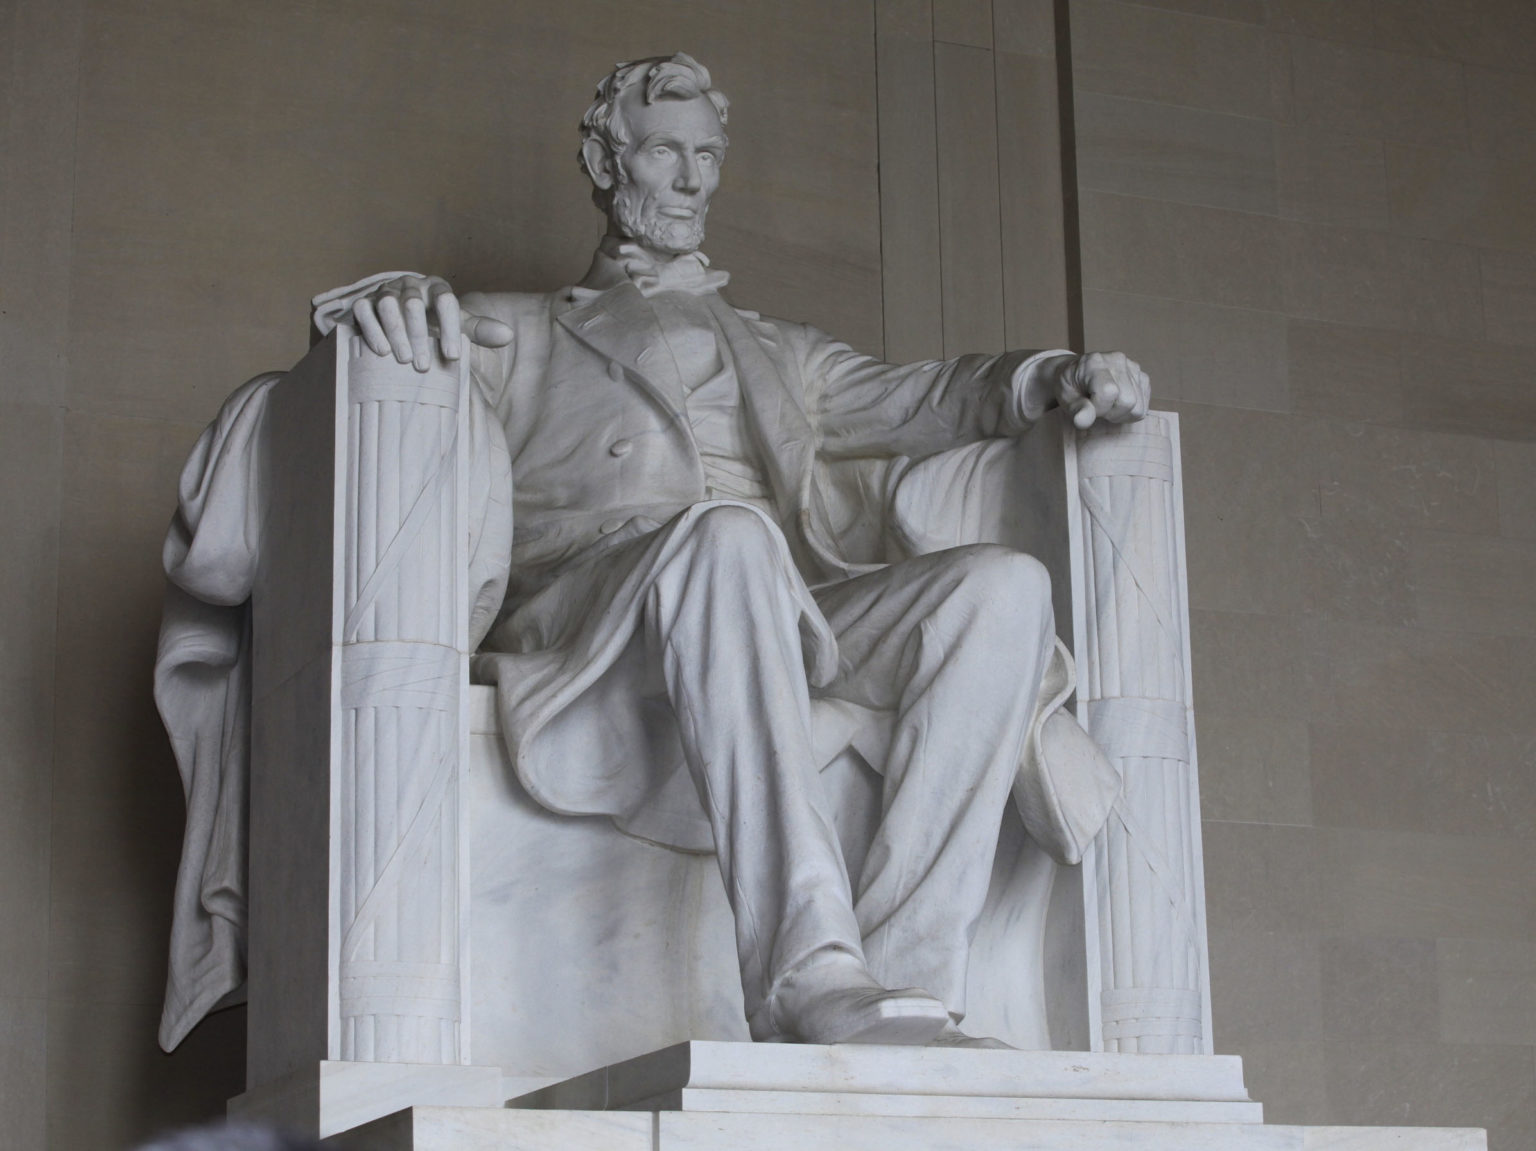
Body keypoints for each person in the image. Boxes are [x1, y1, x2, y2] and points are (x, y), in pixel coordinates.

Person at [309, 53, 1148, 1050]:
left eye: (707, 155)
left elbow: (929, 396)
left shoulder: (780, 349)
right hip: (596, 612)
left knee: (1003, 588)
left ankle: (909, 983)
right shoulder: (522, 329)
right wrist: (397, 299)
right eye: (666, 152)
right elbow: (357, 337)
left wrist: (1056, 375)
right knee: (728, 535)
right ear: (606, 160)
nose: (694, 180)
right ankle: (806, 970)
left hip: (771, 605)